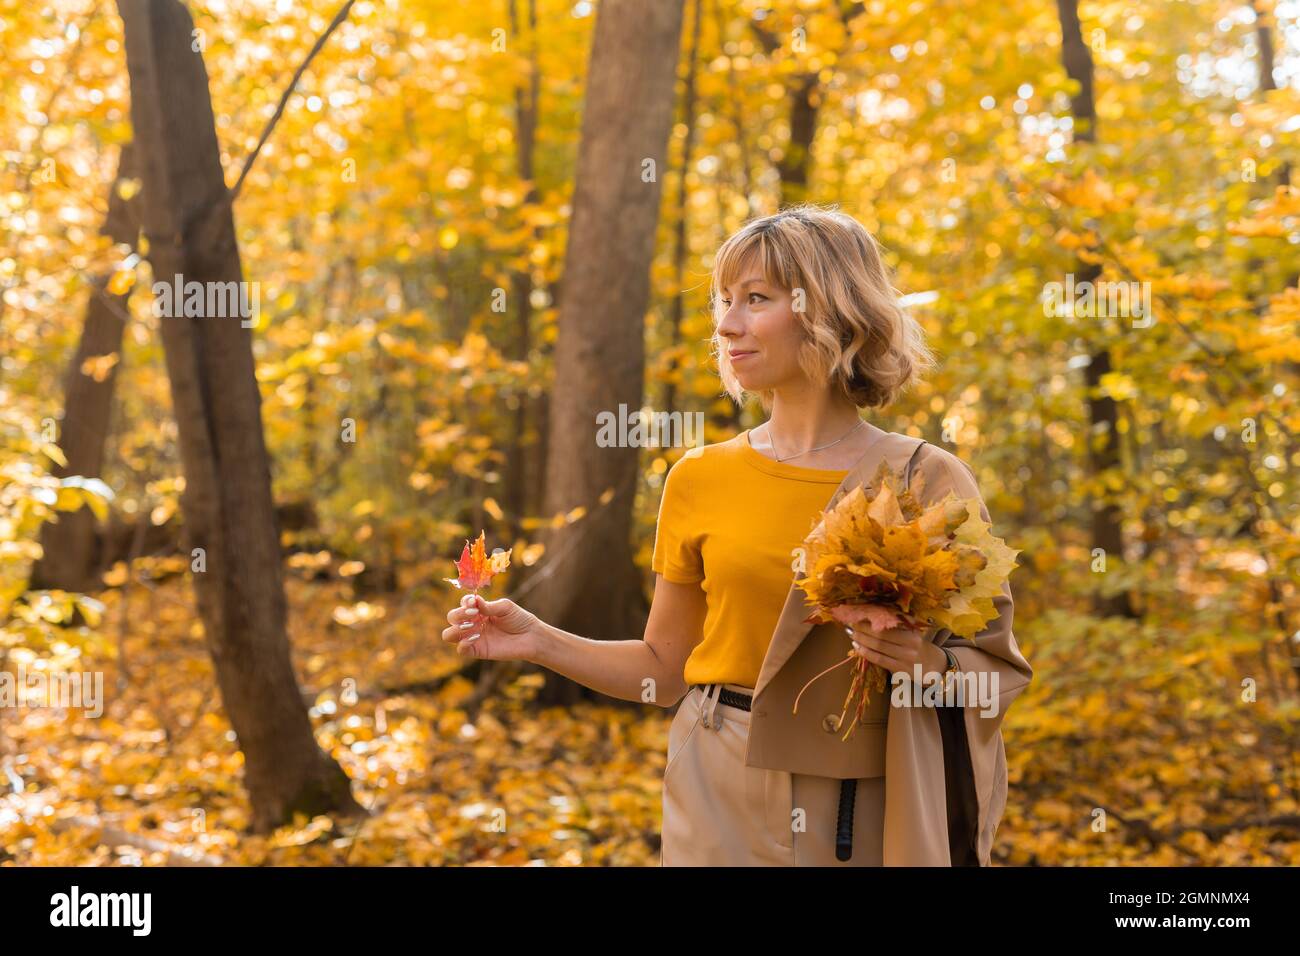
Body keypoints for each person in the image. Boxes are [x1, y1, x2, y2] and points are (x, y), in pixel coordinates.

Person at [441, 204, 1032, 865]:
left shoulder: (929, 478)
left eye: (756, 299)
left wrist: (926, 666)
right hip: (715, 779)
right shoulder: (699, 476)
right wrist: (538, 639)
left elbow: (997, 671)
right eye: (725, 301)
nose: (726, 325)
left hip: (864, 797)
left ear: (829, 310)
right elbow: (665, 673)